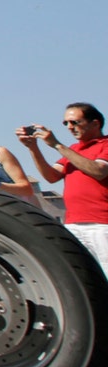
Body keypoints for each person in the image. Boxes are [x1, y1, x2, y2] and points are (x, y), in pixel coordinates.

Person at [17, 103, 108, 270]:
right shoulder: (73, 150)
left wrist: (57, 145)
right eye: (66, 123)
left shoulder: (105, 145)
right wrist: (33, 148)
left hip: (101, 225)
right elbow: (51, 176)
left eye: (75, 122)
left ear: (95, 123)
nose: (70, 127)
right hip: (74, 224)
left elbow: (99, 171)